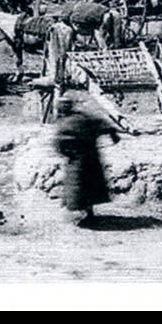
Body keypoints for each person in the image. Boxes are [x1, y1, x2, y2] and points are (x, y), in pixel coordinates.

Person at [52, 92, 119, 227]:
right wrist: (113, 135)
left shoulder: (67, 122)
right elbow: (104, 125)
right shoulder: (83, 118)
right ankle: (88, 214)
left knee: (81, 187)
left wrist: (63, 151)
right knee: (88, 187)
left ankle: (86, 216)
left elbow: (59, 142)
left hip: (78, 161)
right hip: (90, 159)